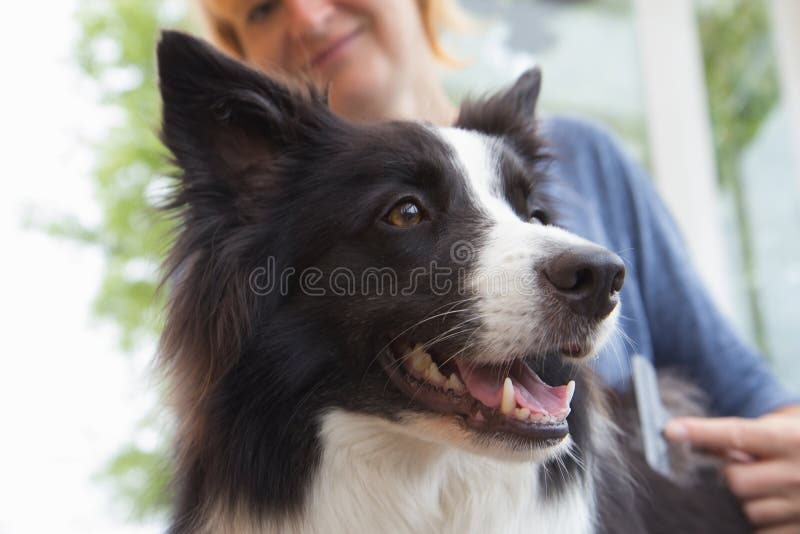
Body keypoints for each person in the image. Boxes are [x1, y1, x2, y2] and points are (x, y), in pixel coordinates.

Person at [195, 0, 800, 530]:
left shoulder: (580, 153)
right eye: (262, 8)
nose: (307, 13)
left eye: (533, 216)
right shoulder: (256, 244)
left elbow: (754, 400)